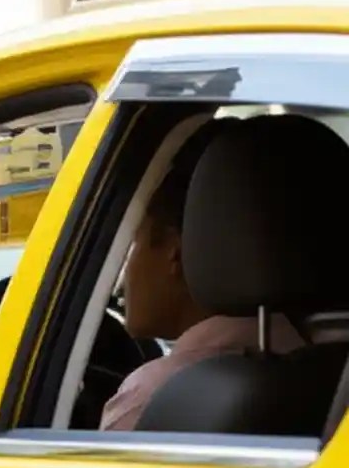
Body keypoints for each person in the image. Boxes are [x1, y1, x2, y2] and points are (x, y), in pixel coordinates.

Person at [100, 119, 305, 431]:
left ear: (174, 251)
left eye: (135, 242)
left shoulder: (153, 399)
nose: (122, 277)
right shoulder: (329, 372)